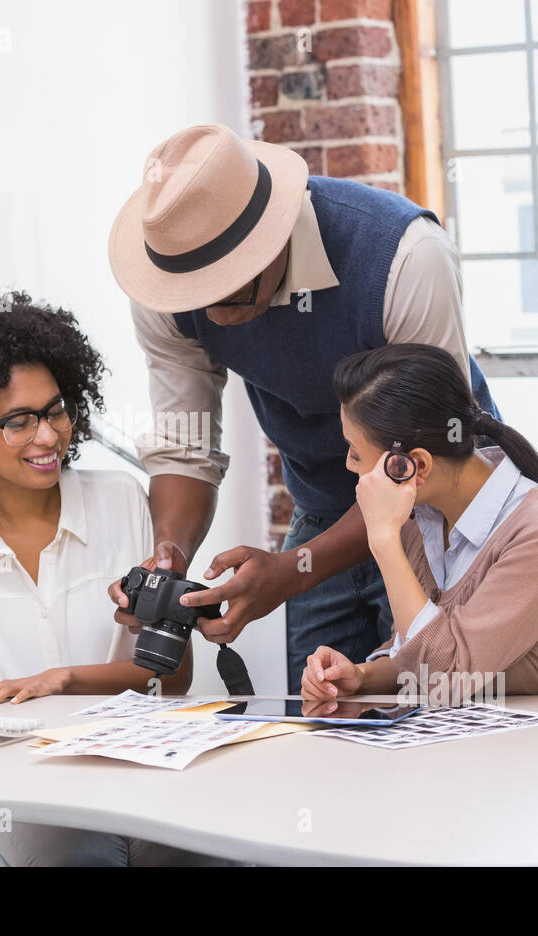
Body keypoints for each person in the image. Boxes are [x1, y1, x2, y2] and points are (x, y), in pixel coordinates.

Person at [106, 122, 502, 694]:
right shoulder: (169, 288)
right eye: (194, 297)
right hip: (323, 507)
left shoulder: (405, 259)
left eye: (228, 290)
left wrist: (289, 574)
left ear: (275, 236)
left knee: (439, 707)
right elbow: (186, 445)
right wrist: (169, 555)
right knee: (319, 723)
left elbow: (428, 457)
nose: (211, 318)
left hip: (445, 510)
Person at [0, 292, 233, 865]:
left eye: (55, 410)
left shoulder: (120, 500)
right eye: (17, 422)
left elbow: (170, 679)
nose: (48, 436)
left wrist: (64, 680)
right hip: (18, 785)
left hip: (137, 762)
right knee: (73, 848)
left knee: (193, 850)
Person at [300, 344, 538, 706]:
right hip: (455, 750)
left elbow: (447, 677)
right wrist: (361, 677)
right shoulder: (420, 518)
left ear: (413, 467)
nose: (350, 466)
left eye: (356, 452)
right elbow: (415, 654)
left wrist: (382, 539)